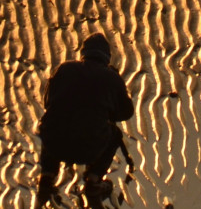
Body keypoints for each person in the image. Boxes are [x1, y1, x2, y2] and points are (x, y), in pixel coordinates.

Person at [36, 33, 134, 197]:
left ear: (84, 53)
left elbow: (48, 103)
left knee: (52, 121)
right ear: (107, 57)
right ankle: (94, 181)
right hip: (89, 149)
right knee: (115, 134)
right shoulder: (111, 78)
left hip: (55, 145)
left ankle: (47, 176)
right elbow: (126, 112)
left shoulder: (64, 69)